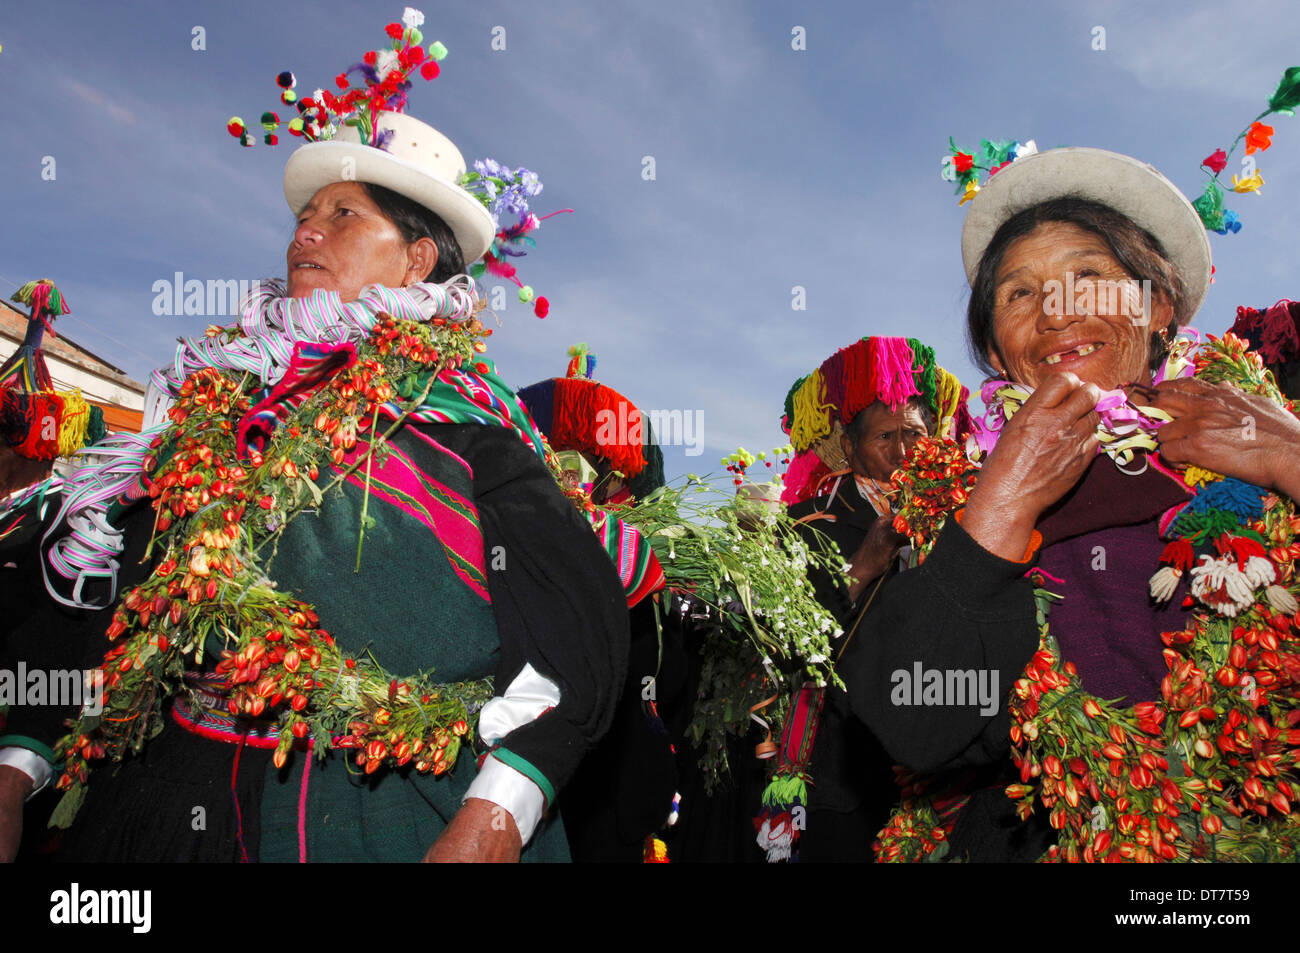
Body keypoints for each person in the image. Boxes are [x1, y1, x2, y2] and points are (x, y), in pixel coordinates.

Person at [0, 14, 626, 863]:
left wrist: (493, 818)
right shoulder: (210, 410)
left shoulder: (473, 433)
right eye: (306, 213)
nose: (306, 231)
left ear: (417, 263)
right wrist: (16, 764)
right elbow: (106, 592)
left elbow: (574, 633)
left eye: (344, 214)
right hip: (160, 807)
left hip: (380, 818)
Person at [846, 146, 1300, 861]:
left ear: (1158, 306)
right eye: (1019, 294)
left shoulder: (1260, 439)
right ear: (997, 352)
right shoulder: (959, 502)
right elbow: (911, 714)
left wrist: (1292, 458)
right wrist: (997, 510)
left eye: (1088, 276)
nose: (1056, 313)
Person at [762, 336, 971, 861]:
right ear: (851, 448)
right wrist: (864, 566)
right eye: (885, 437)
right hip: (839, 768)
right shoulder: (806, 524)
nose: (903, 453)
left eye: (916, 435)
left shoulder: (964, 524)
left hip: (940, 768)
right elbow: (778, 644)